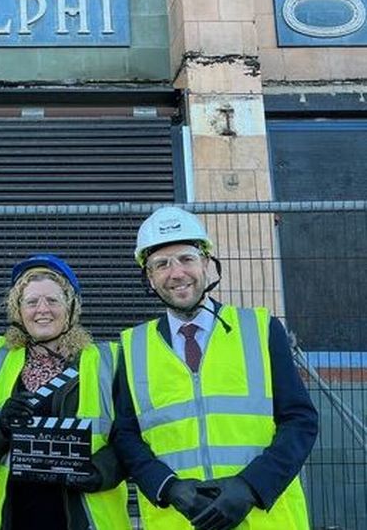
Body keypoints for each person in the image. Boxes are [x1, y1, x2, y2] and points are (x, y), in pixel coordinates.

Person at [114, 206, 318, 530]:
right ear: (150, 278)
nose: (176, 273)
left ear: (206, 263)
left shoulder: (261, 329)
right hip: (178, 520)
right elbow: (125, 434)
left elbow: (300, 421)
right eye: (161, 264)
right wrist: (168, 486)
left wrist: (251, 487)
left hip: (264, 519)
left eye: (186, 258)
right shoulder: (132, 347)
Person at [0, 254, 131, 530]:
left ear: (71, 306)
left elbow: (131, 438)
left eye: (53, 300)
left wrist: (101, 471)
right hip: (14, 518)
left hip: (87, 518)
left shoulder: (108, 361)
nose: (42, 309)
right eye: (31, 301)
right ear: (18, 309)